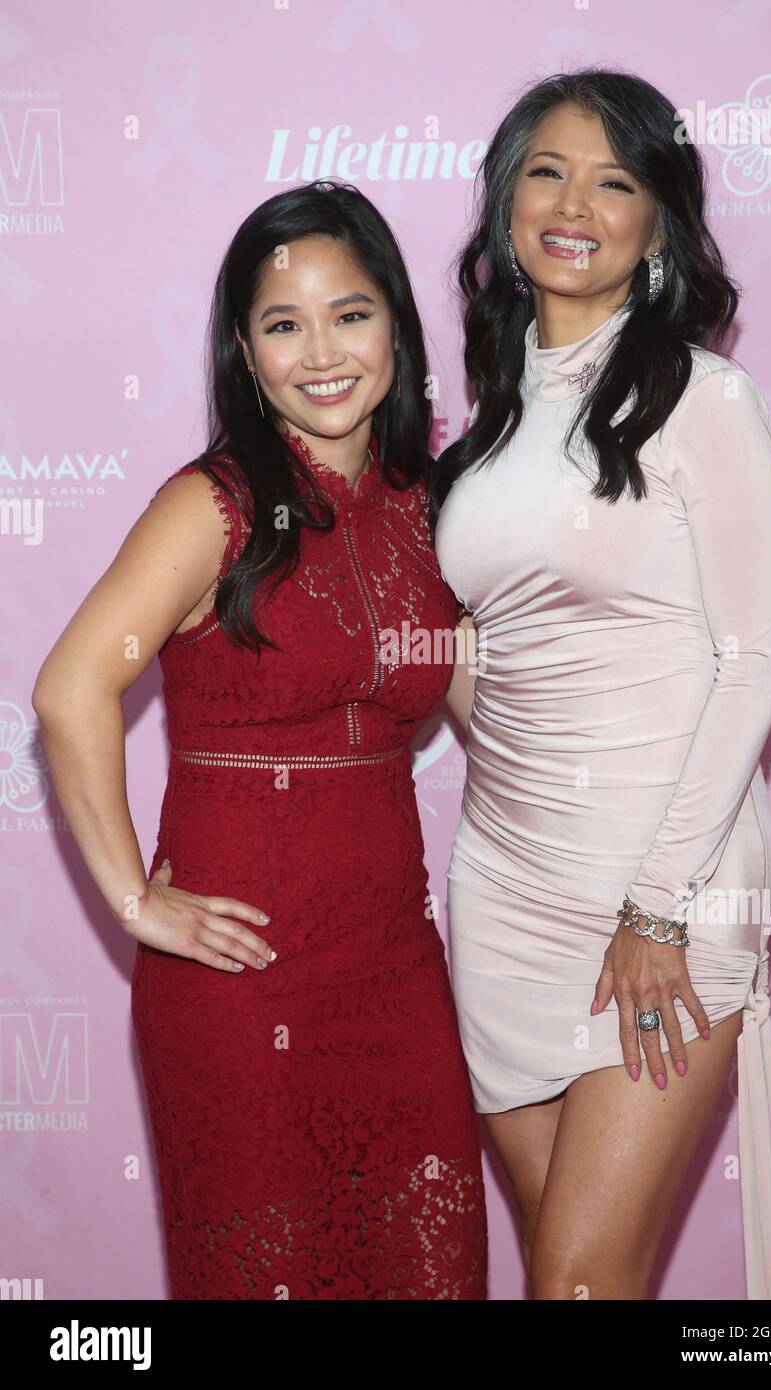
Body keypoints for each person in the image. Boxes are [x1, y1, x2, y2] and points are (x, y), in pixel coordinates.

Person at [32, 181, 487, 1300]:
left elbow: (498, 712)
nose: (321, 352)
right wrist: (135, 900)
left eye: (351, 312)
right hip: (240, 991)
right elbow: (70, 686)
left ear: (397, 327)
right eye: (283, 324)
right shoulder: (217, 504)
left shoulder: (438, 507)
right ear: (245, 350)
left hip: (395, 975)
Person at [431, 68, 771, 1300]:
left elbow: (753, 661)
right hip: (506, 889)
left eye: (614, 179)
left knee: (575, 1280)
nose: (573, 202)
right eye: (546, 170)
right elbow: (494, 647)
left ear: (655, 222)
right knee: (579, 1281)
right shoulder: (486, 423)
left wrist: (654, 910)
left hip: (665, 896)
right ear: (503, 202)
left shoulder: (704, 397)